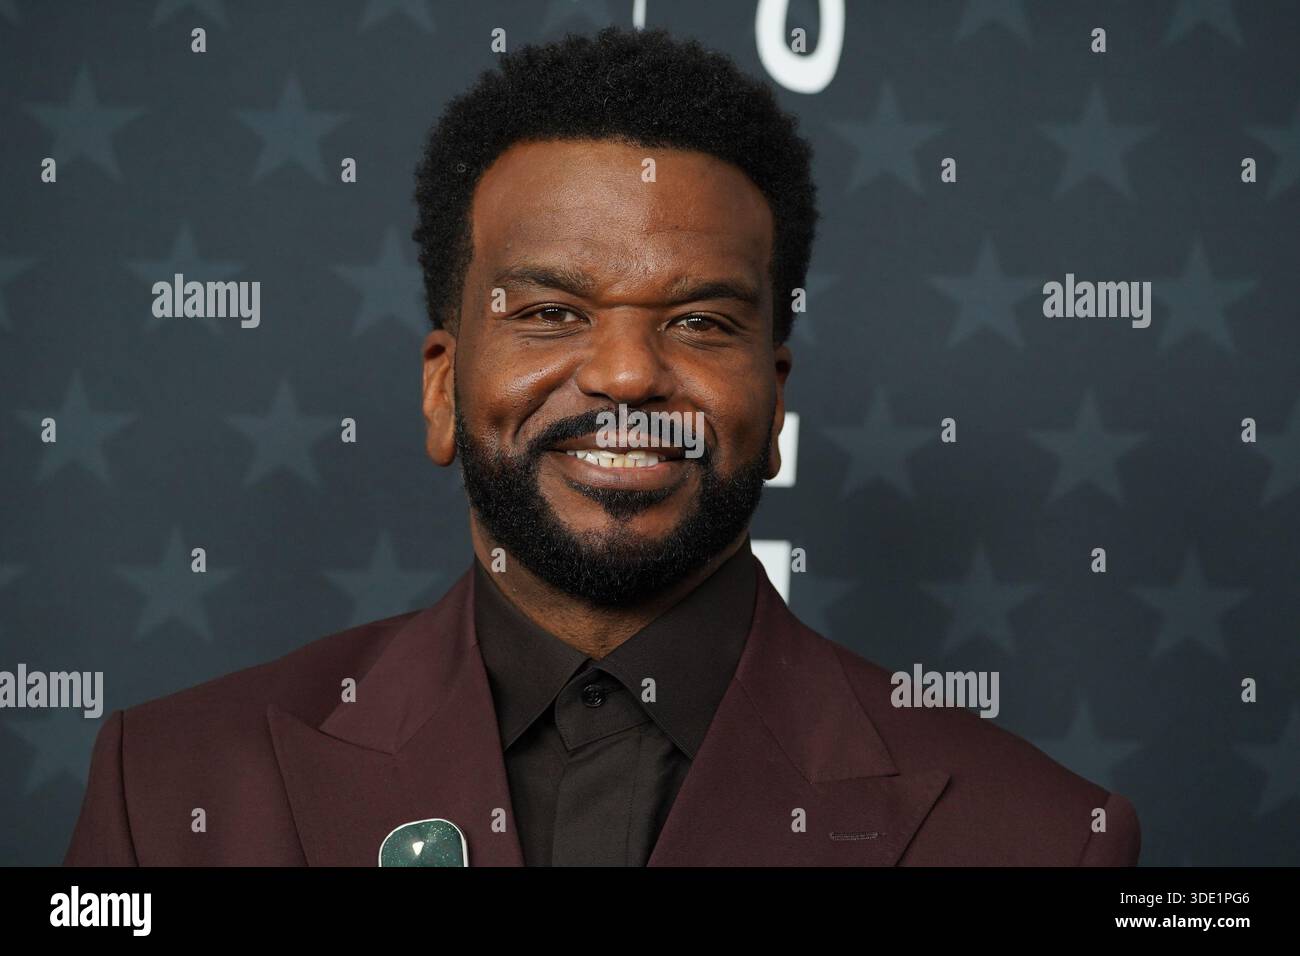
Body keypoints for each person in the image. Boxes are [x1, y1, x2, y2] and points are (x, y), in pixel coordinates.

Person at [64, 26, 1139, 867]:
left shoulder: (1041, 838)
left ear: (771, 404)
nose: (626, 373)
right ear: (443, 386)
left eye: (702, 320)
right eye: (548, 313)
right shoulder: (165, 793)